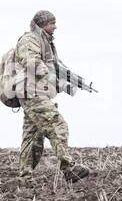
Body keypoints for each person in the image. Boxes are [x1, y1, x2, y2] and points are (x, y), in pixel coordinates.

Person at [15, 10, 91, 182]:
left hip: (36, 92)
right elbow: (32, 63)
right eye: (52, 23)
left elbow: (55, 66)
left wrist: (74, 80)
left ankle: (25, 178)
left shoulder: (45, 42)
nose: (55, 27)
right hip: (32, 93)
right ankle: (69, 168)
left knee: (33, 137)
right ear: (42, 25)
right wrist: (57, 82)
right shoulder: (30, 40)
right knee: (57, 124)